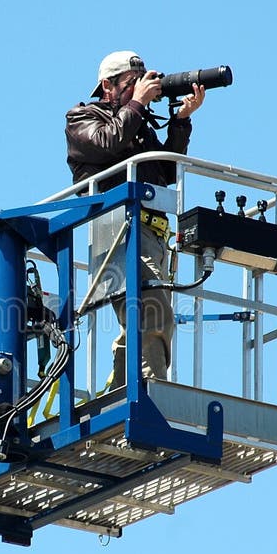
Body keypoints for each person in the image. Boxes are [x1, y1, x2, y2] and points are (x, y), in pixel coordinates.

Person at [65, 50, 205, 389]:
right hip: (119, 230)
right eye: (131, 84)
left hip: (152, 234)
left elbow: (167, 171)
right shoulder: (82, 117)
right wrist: (138, 104)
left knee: (141, 319)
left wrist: (181, 120)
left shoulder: (136, 124)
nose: (140, 89)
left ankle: (121, 393)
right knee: (155, 315)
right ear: (107, 86)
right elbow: (106, 142)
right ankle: (151, 393)